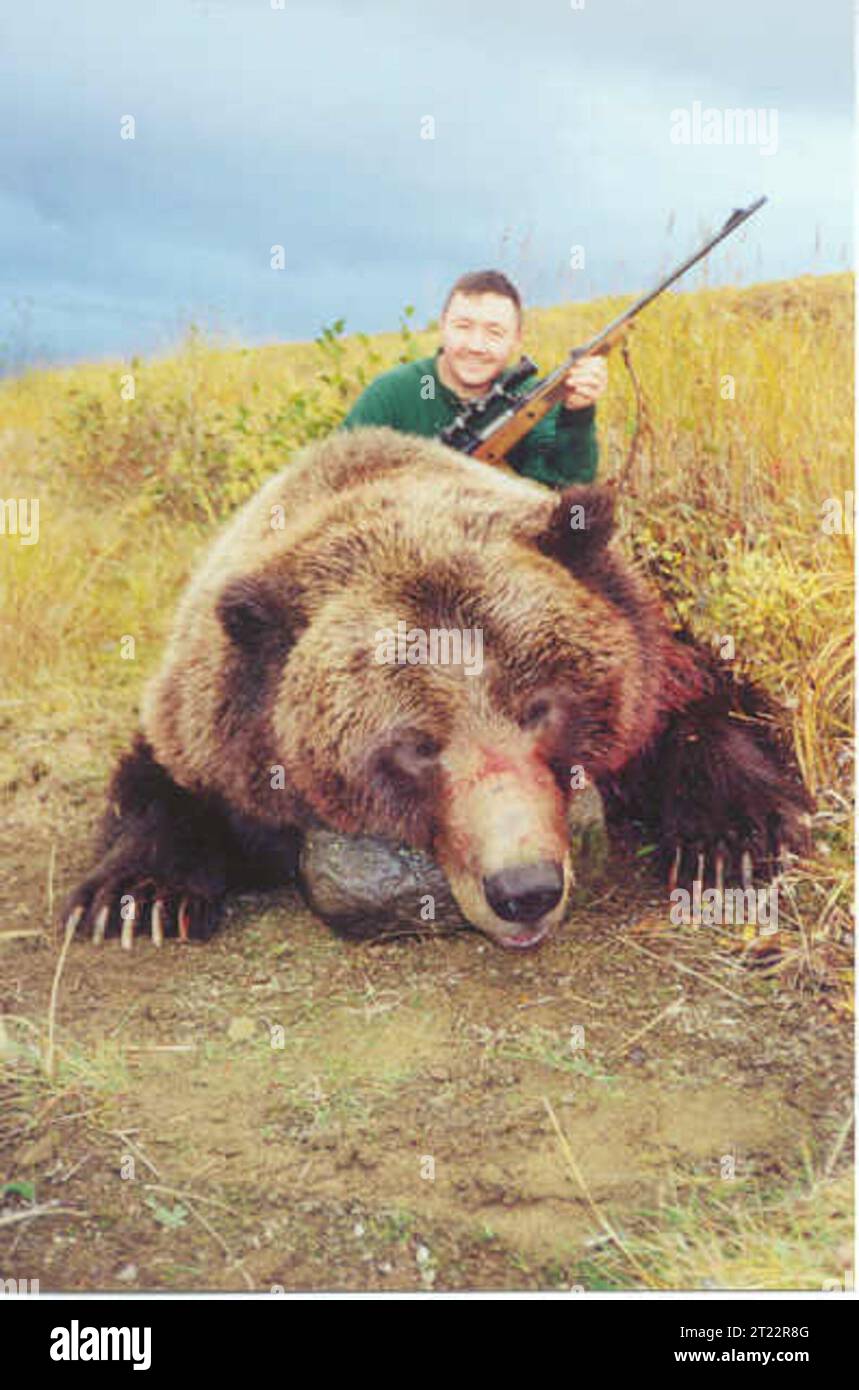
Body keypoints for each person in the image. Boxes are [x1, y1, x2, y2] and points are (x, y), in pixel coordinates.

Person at [341, 269, 608, 486]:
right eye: (463, 327)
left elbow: (569, 482)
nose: (476, 346)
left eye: (494, 332)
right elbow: (331, 474)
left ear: (517, 340)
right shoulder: (394, 393)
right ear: (442, 327)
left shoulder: (527, 399)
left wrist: (578, 414)